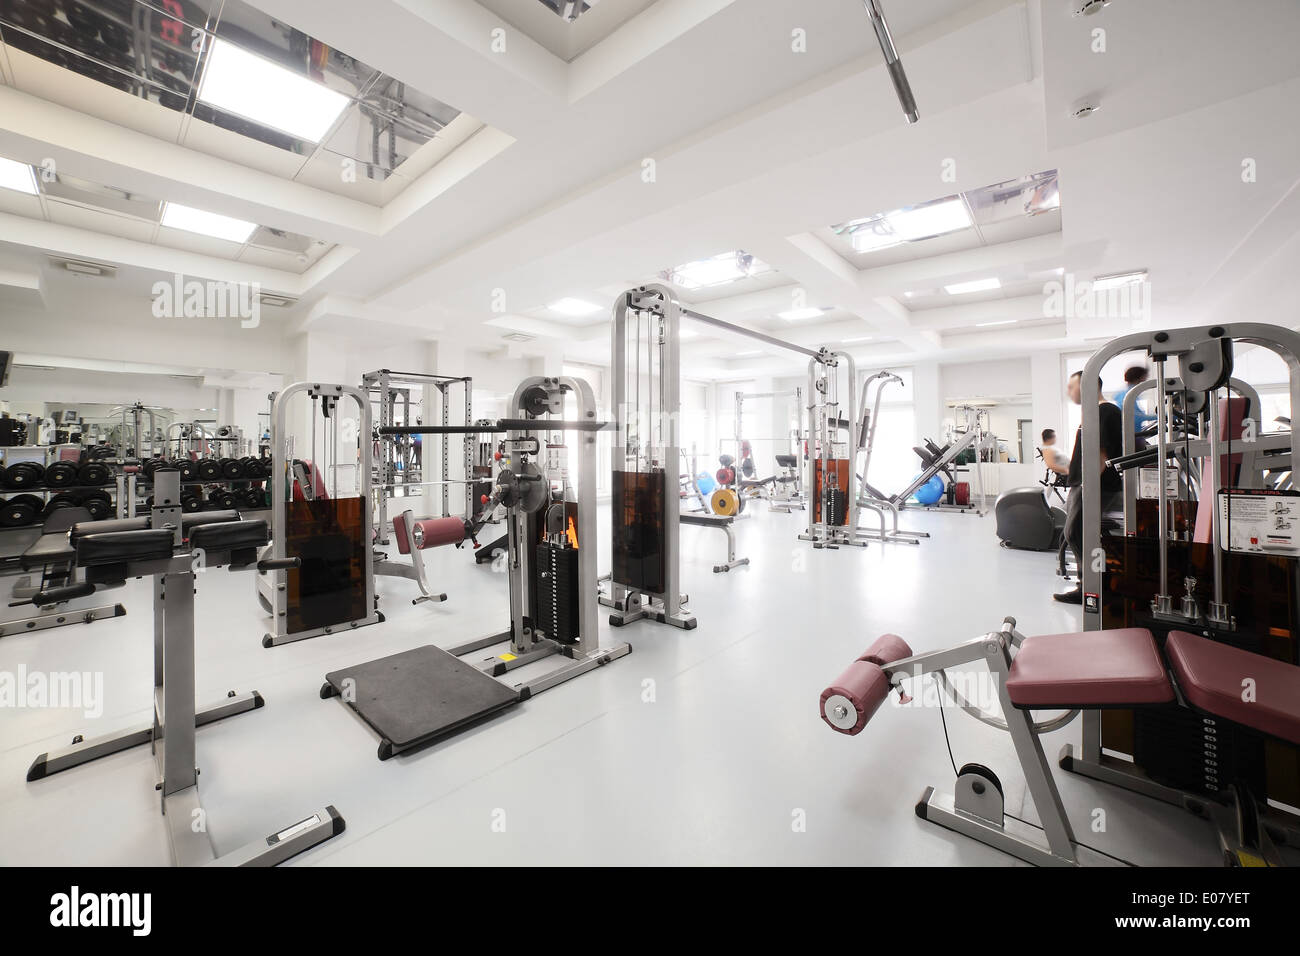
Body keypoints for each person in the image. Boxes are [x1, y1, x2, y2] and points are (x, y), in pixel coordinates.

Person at [1054, 371, 1125, 604]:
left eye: (1072, 387)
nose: (1069, 392)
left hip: (1096, 486)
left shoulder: (1104, 411)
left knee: (1076, 533)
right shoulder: (1095, 412)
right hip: (1088, 484)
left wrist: (1087, 486)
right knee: (1076, 534)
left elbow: (1101, 454)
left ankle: (1092, 588)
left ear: (1089, 385)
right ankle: (1090, 586)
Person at [1114, 365, 1156, 440]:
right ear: (1139, 378)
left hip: (1135, 434)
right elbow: (1134, 417)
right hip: (1131, 437)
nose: (1146, 380)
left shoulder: (1128, 393)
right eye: (1145, 377)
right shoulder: (1128, 394)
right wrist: (1162, 415)